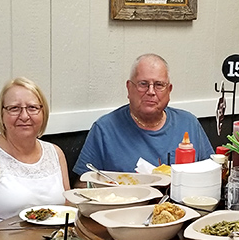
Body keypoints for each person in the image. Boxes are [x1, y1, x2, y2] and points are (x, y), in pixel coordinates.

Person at [73, 54, 213, 176]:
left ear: (169, 90)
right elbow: (84, 184)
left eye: (159, 85)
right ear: (129, 88)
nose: (151, 91)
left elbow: (211, 173)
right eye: (143, 84)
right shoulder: (105, 129)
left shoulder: (188, 123)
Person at [0, 77, 70, 225]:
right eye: (14, 108)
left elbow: (68, 209)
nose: (24, 116)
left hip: (52, 237)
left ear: (43, 113)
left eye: (32, 108)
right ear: (2, 114)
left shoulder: (55, 153)